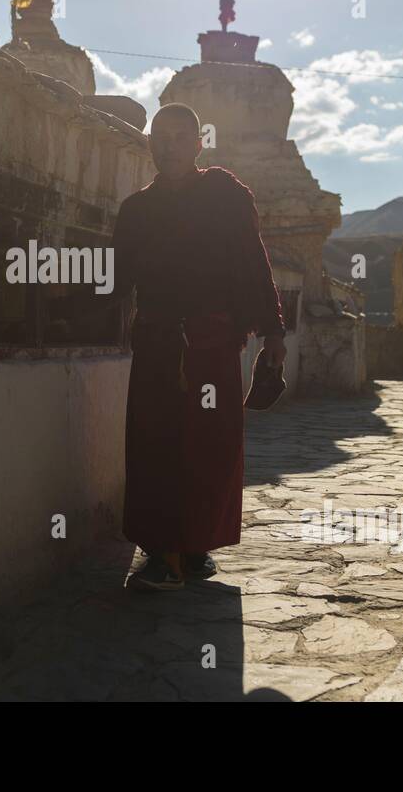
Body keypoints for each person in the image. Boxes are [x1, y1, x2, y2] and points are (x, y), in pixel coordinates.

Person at [112, 103, 286, 591]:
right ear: (150, 145)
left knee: (209, 447)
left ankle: (193, 549)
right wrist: (58, 288)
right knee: (155, 445)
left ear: (198, 143)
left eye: (179, 136)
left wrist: (274, 332)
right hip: (157, 347)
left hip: (212, 345)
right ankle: (162, 555)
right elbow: (115, 279)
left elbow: (254, 262)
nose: (168, 145)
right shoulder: (137, 211)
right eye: (159, 137)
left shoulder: (224, 195)